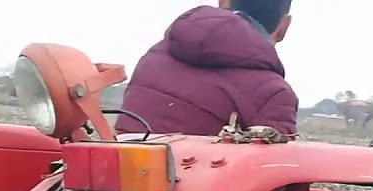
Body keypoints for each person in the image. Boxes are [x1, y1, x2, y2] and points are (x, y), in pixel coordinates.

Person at [114, 1, 298, 137]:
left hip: (114, 179)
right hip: (193, 188)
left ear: (223, 2)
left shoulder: (158, 53)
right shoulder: (274, 94)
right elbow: (273, 180)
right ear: (284, 27)